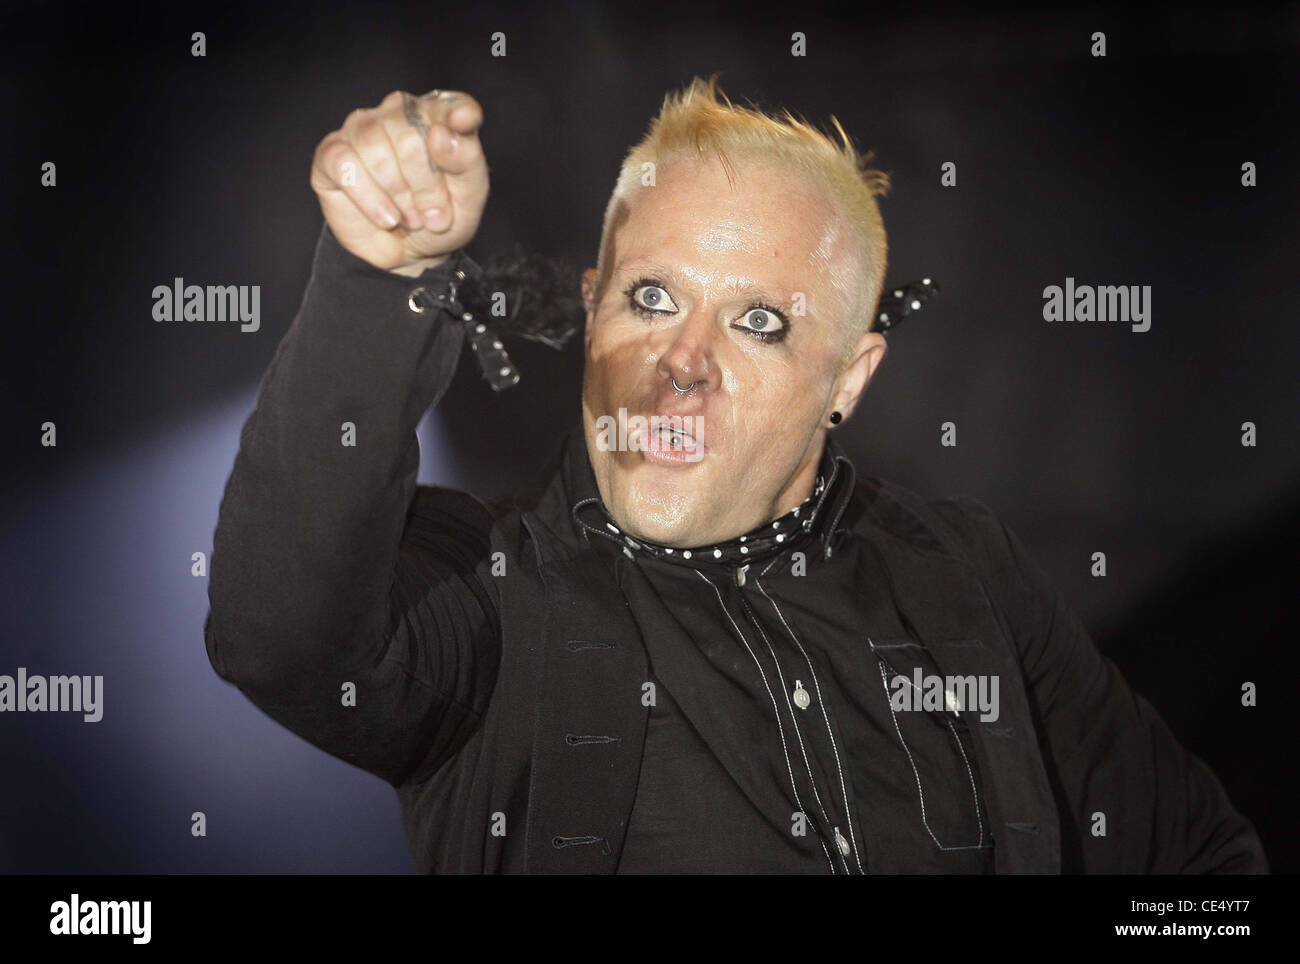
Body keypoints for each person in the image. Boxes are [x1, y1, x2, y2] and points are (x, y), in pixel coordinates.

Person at [203, 76, 1267, 874]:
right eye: (652, 298)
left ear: (846, 377)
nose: (683, 359)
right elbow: (279, 636)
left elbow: (1200, 865)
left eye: (758, 323)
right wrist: (376, 276)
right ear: (592, 309)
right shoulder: (487, 586)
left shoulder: (964, 570)